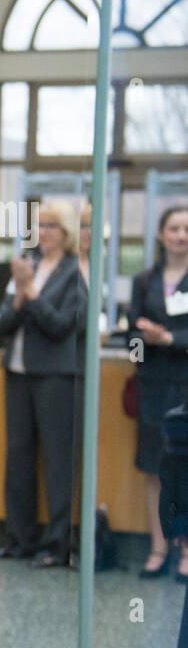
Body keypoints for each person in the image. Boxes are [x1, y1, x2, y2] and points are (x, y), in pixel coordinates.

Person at [0, 200, 86, 567]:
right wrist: (21, 296)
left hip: (57, 375)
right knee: (18, 457)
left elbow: (63, 326)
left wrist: (32, 294)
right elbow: (1, 325)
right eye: (38, 226)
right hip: (18, 371)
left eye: (50, 227)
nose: (41, 233)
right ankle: (19, 539)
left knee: (58, 460)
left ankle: (56, 545)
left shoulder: (77, 271)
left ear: (67, 232)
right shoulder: (28, 266)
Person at [129, 205, 188, 581]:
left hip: (184, 387)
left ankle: (186, 553)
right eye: (174, 228)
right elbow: (131, 338)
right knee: (154, 469)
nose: (181, 235)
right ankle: (158, 547)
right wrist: (143, 347)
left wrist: (168, 339)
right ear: (161, 235)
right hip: (152, 388)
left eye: (187, 229)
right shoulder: (144, 280)